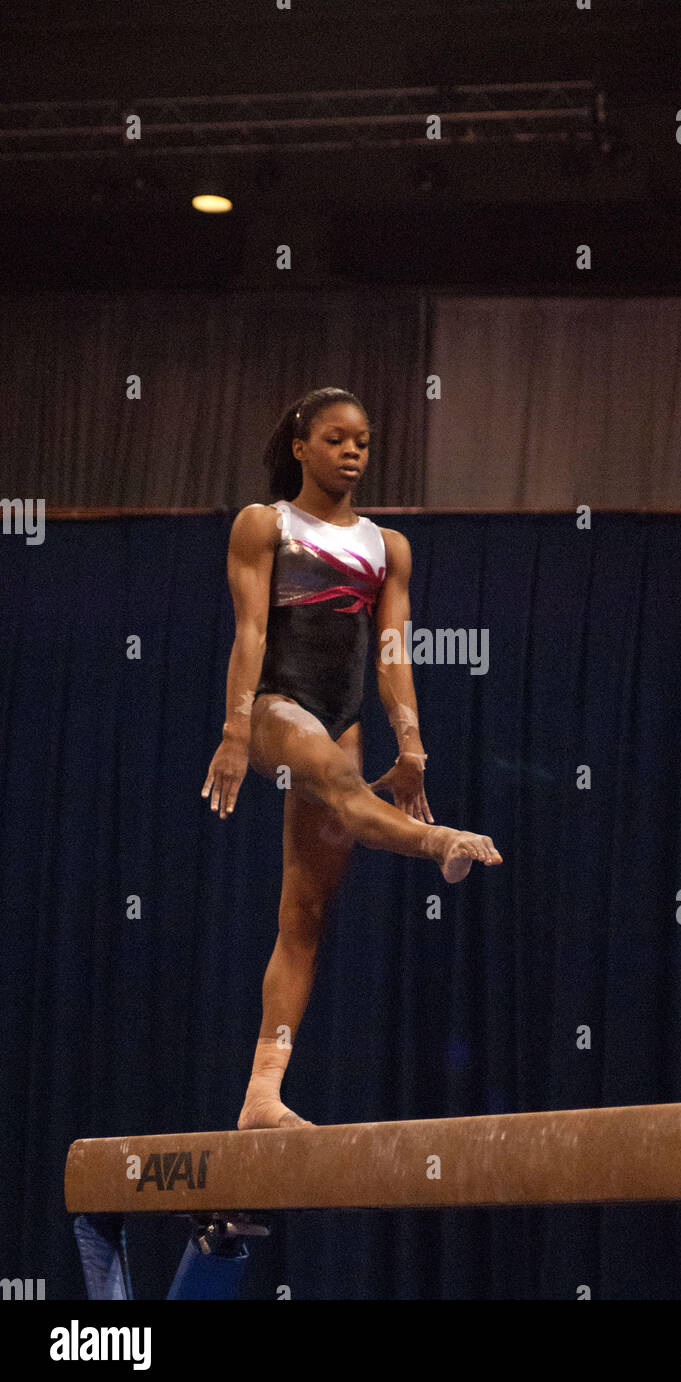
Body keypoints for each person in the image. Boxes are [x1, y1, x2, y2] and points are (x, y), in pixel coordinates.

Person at [201, 386, 502, 1130]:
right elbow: (250, 633)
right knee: (343, 789)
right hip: (275, 705)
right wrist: (236, 730)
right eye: (336, 439)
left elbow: (392, 652)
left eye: (362, 442)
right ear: (301, 446)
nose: (352, 453)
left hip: (342, 718)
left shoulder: (387, 546)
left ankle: (262, 1094)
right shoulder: (265, 524)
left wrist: (412, 745)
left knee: (305, 911)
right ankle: (440, 842)